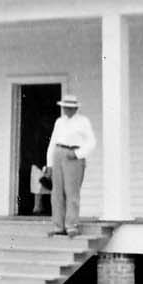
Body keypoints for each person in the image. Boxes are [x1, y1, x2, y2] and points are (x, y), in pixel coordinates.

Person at [44, 94, 95, 237]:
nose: (67, 110)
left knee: (72, 192)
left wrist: (78, 154)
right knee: (56, 192)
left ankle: (71, 225)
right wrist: (49, 164)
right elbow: (52, 143)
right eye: (65, 107)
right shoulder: (59, 122)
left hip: (73, 155)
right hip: (58, 153)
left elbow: (91, 143)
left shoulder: (83, 122)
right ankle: (58, 226)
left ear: (76, 108)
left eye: (71, 108)